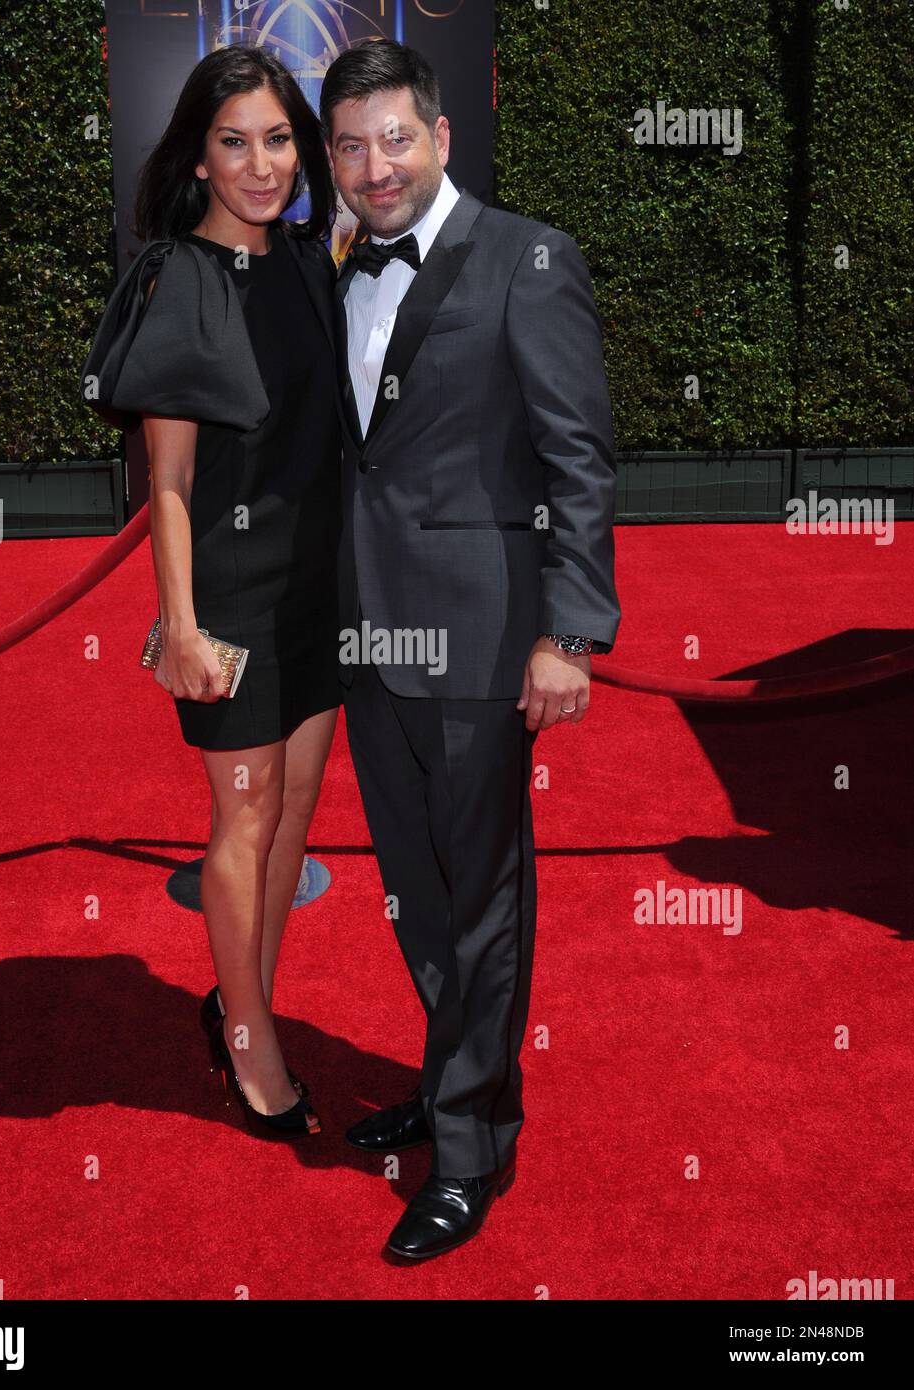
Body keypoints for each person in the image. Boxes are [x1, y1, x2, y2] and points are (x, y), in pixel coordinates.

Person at [320, 40, 622, 1258]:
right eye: (349, 145)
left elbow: (580, 457)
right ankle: (455, 1080)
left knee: (485, 899)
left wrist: (570, 632)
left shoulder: (527, 259)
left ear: (440, 137)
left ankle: (470, 1148)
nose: (374, 165)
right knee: (417, 889)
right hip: (366, 634)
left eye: (394, 138)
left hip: (486, 637)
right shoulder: (334, 262)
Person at [80, 46, 343, 1139]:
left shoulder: (308, 265)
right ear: (199, 152)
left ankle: (245, 999)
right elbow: (170, 481)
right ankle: (250, 1044)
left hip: (320, 582)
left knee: (291, 811)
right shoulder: (174, 277)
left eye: (277, 138)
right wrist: (179, 626)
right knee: (241, 816)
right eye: (234, 141)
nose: (260, 162)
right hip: (229, 592)